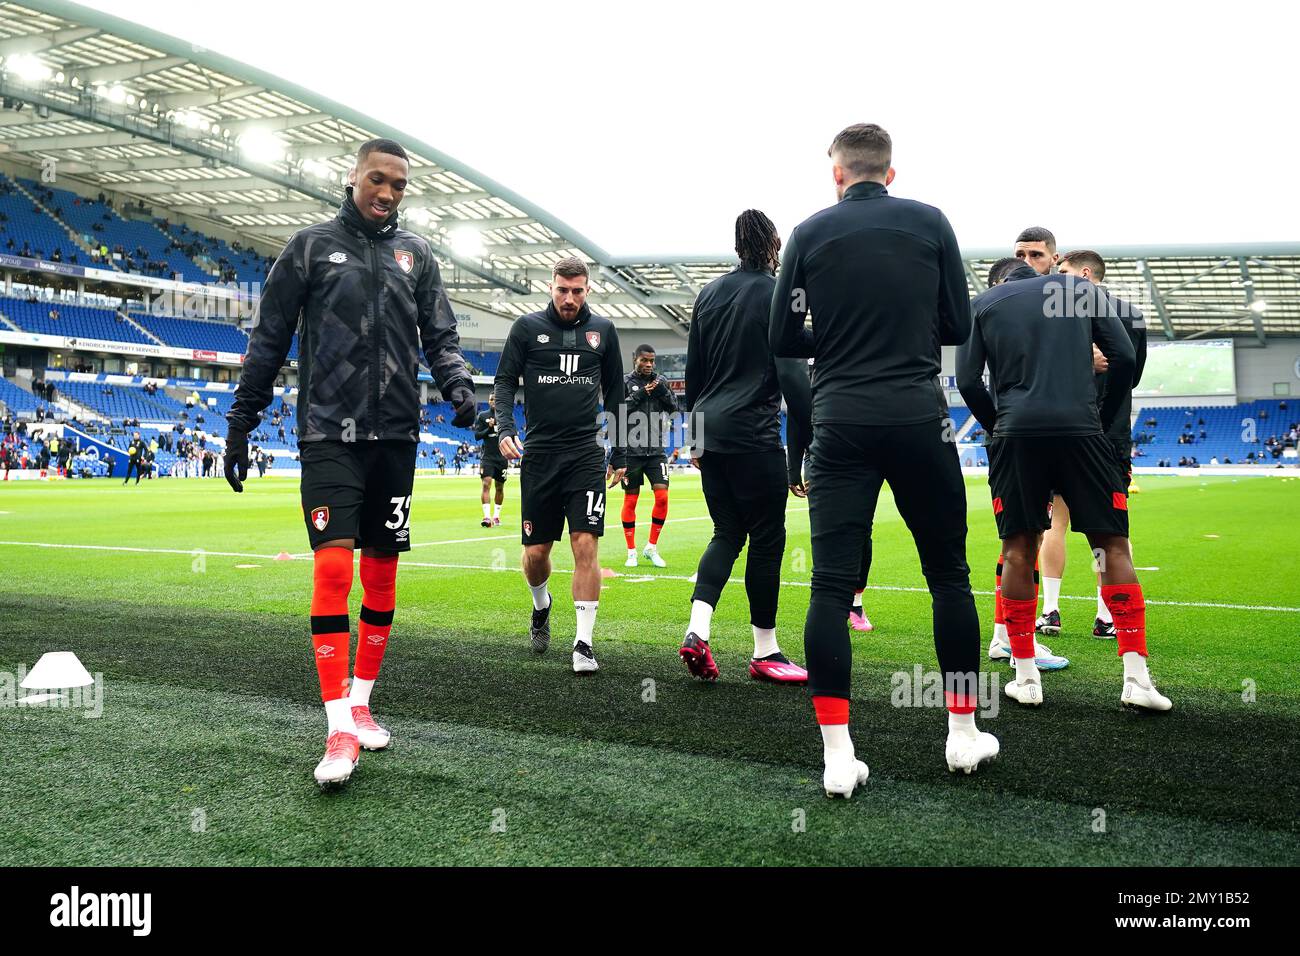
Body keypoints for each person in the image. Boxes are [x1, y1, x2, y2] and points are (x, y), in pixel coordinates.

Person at [225, 138, 476, 787]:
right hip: (328, 435)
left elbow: (442, 341)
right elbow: (270, 338)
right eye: (377, 179)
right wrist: (239, 423)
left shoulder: (416, 255)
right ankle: (338, 726)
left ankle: (362, 701)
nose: (387, 192)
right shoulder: (310, 248)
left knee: (383, 576)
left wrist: (464, 399)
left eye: (397, 184)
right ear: (353, 177)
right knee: (335, 567)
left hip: (397, 437)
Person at [770, 123, 996, 797]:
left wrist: (834, 326)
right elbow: (958, 325)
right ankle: (961, 736)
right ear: (889, 173)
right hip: (917, 416)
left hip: (839, 420)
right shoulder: (930, 223)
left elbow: (783, 334)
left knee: (831, 588)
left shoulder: (809, 233)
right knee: (949, 577)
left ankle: (838, 758)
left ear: (837, 174)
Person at [958, 259, 1171, 712]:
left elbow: (967, 382)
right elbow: (1126, 357)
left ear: (1001, 279)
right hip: (1083, 431)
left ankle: (1026, 677)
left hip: (1017, 434)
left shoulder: (983, 303)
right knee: (1113, 546)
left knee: (1018, 547)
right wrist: (1101, 415)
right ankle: (1137, 678)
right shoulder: (1080, 291)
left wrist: (1000, 427)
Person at [679, 210, 813, 686]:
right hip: (753, 434)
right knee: (767, 539)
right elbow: (794, 375)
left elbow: (693, 373)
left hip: (710, 433)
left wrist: (693, 435)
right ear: (774, 244)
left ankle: (698, 630)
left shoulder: (708, 293)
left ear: (738, 245)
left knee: (726, 533)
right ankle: (765, 651)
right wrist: (809, 443)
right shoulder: (779, 293)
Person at [492, 257, 626, 674]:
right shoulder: (526, 328)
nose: (570, 298)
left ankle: (583, 643)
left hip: (586, 453)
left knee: (585, 543)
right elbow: (503, 381)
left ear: (588, 290)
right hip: (540, 455)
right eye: (563, 290)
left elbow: (617, 393)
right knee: (535, 553)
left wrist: (620, 451)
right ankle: (541, 605)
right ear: (550, 287)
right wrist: (504, 429)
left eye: (578, 291)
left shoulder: (603, 331)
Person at [1052, 250, 1147, 639]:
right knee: (1111, 532)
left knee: (1053, 524)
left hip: (1063, 430)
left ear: (1085, 274)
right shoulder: (1132, 314)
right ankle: (1107, 616)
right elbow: (1133, 375)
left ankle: (1051, 612)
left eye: (1063, 272)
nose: (1056, 280)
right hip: (1109, 434)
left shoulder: (1058, 313)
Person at [619, 344, 677, 568]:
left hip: (656, 451)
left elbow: (673, 410)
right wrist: (643, 394)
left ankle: (651, 547)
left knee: (662, 497)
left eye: (652, 361)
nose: (649, 365)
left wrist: (663, 392)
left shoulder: (661, 381)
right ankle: (631, 551)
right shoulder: (624, 382)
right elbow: (619, 410)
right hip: (631, 452)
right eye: (645, 360)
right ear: (635, 359)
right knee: (631, 500)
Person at [474, 408, 507, 527]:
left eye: (494, 398)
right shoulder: (482, 416)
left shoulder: (505, 414)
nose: (492, 401)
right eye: (490, 399)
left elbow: (511, 433)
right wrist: (489, 427)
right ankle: (487, 517)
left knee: (499, 487)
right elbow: (477, 436)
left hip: (502, 458)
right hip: (487, 458)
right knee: (486, 484)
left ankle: (496, 516)